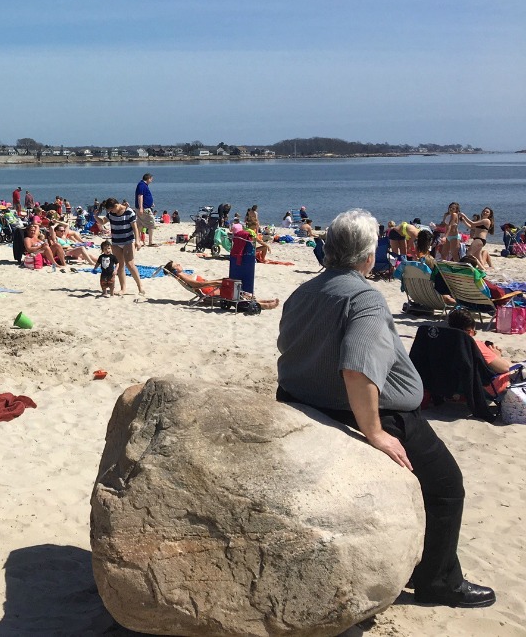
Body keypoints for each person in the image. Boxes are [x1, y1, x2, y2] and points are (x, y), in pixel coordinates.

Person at [276, 208, 494, 609]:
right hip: (364, 411)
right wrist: (374, 431)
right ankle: (438, 581)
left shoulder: (303, 292)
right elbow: (357, 368)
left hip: (303, 401)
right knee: (447, 486)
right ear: (367, 256)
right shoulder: (365, 299)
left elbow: (288, 346)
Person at [447, 308, 525, 400]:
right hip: (485, 389)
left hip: (455, 387)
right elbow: (504, 368)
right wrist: (497, 356)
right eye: (474, 332)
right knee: (516, 368)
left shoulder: (443, 345)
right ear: (469, 331)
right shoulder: (475, 346)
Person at [162, 261, 280, 309]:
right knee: (234, 292)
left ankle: (262, 301)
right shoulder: (182, 275)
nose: (179, 264)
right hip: (208, 290)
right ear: (175, 270)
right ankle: (263, 305)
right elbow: (197, 285)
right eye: (177, 265)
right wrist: (216, 282)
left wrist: (217, 281)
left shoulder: (183, 274)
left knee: (233, 288)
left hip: (208, 287)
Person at [98, 198, 145, 296]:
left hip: (128, 241)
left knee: (130, 264)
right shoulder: (111, 214)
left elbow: (135, 228)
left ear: (116, 206)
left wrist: (137, 240)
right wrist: (95, 216)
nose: (111, 212)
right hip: (116, 242)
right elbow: (102, 222)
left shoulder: (129, 212)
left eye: (112, 210)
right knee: (120, 265)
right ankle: (123, 288)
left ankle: (140, 286)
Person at [135, 173, 156, 246]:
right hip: (144, 208)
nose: (151, 181)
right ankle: (150, 241)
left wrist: (151, 203)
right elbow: (140, 196)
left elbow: (145, 196)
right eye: (151, 179)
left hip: (145, 207)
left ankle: (139, 240)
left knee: (140, 223)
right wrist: (141, 207)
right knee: (151, 223)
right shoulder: (141, 185)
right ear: (148, 178)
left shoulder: (143, 185)